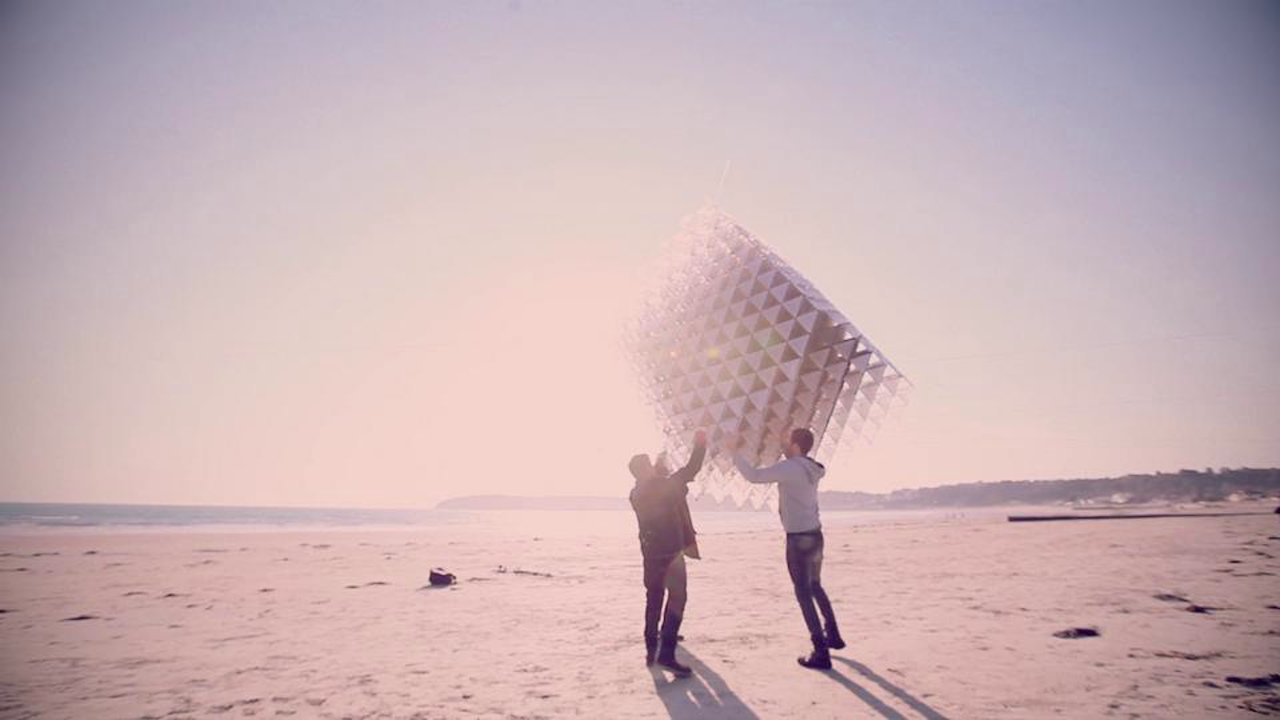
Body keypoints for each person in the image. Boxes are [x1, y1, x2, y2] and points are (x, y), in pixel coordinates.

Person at [727, 428, 845, 670]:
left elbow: (754, 476)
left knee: (803, 593)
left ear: (795, 445)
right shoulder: (811, 468)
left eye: (786, 439)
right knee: (815, 586)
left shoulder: (790, 467)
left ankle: (821, 651)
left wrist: (734, 452)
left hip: (798, 538)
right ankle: (832, 634)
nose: (782, 443)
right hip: (815, 535)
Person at [629, 429, 707, 677]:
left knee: (653, 599)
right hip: (671, 554)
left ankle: (651, 650)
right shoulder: (661, 486)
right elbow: (691, 469)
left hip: (650, 555)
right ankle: (667, 654)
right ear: (647, 469)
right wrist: (700, 445)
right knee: (677, 599)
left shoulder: (636, 493)